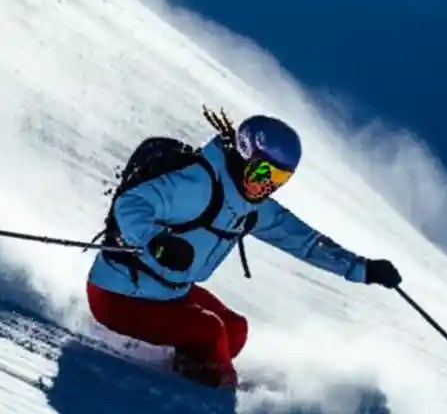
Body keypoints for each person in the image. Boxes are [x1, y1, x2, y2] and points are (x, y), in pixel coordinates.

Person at [86, 107, 403, 388]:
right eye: (263, 172)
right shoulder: (198, 185)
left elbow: (305, 242)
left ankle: (183, 372)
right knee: (209, 333)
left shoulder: (252, 206)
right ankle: (210, 396)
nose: (265, 186)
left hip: (169, 292)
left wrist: (361, 268)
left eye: (278, 179)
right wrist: (155, 241)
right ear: (243, 156)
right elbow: (131, 204)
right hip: (119, 293)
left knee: (234, 331)